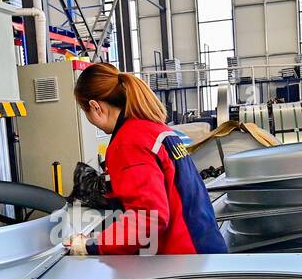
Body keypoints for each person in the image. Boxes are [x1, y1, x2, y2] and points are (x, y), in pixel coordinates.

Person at [67, 62, 227, 256]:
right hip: (205, 250)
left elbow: (149, 217)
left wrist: (93, 245)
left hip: (181, 262)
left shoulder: (128, 141)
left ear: (95, 107)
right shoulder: (157, 130)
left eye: (86, 112)